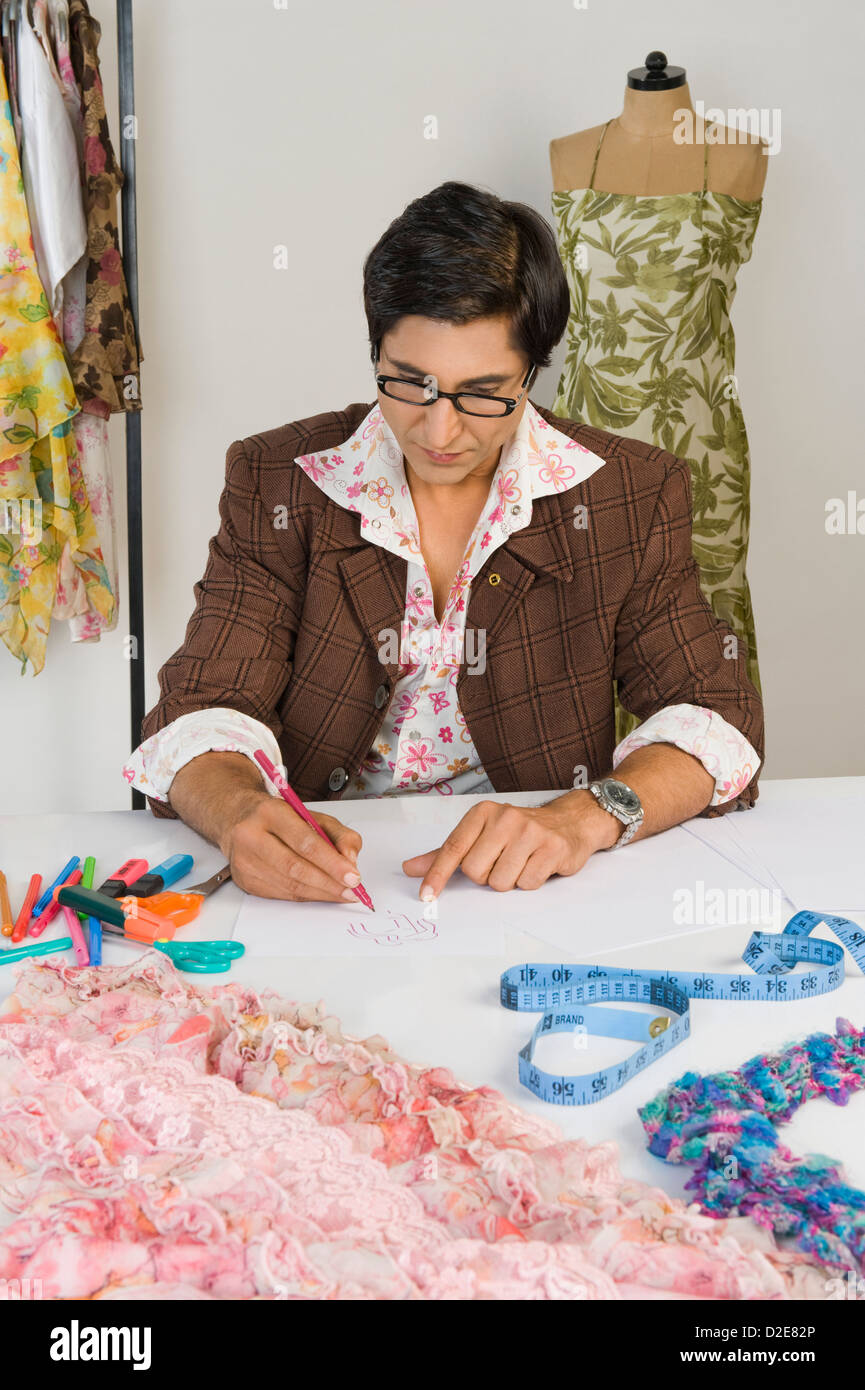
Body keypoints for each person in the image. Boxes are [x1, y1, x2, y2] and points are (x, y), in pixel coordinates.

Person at [124, 181, 763, 905]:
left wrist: (583, 819)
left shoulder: (626, 494)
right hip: (327, 876)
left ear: (532, 371)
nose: (439, 431)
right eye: (409, 384)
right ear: (376, 352)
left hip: (526, 885)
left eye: (483, 392)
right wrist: (238, 811)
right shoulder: (280, 479)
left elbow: (713, 713)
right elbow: (206, 703)